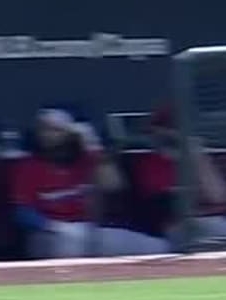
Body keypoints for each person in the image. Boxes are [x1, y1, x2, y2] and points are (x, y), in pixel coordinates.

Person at [11, 109, 170, 258]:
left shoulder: (89, 159)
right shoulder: (29, 166)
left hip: (90, 230)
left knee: (157, 247)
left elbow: (113, 186)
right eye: (44, 130)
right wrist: (57, 227)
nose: (47, 135)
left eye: (55, 130)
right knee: (71, 246)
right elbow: (22, 213)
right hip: (47, 234)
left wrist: (94, 146)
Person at [133, 106, 226, 248]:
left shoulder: (195, 155)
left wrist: (195, 153)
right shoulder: (148, 161)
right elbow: (166, 208)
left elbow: (219, 196)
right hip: (174, 228)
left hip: (209, 222)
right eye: (167, 129)